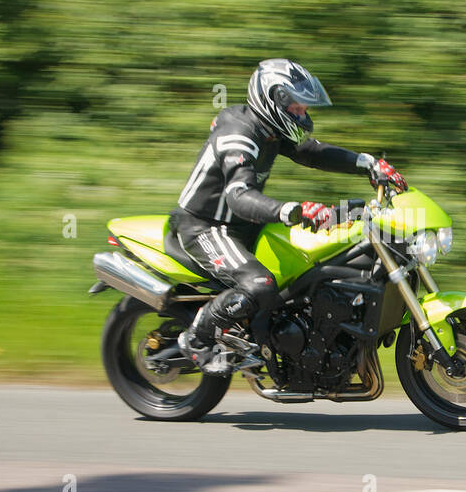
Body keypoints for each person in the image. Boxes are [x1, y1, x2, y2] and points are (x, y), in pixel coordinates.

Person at [172, 58, 406, 374]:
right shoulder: (239, 133)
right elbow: (238, 196)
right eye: (296, 106)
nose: (303, 113)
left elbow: (310, 152)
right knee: (260, 285)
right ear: (273, 99)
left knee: (305, 273)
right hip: (207, 226)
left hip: (246, 224)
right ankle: (198, 338)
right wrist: (291, 211)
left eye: (304, 107)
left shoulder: (268, 128)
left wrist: (369, 163)